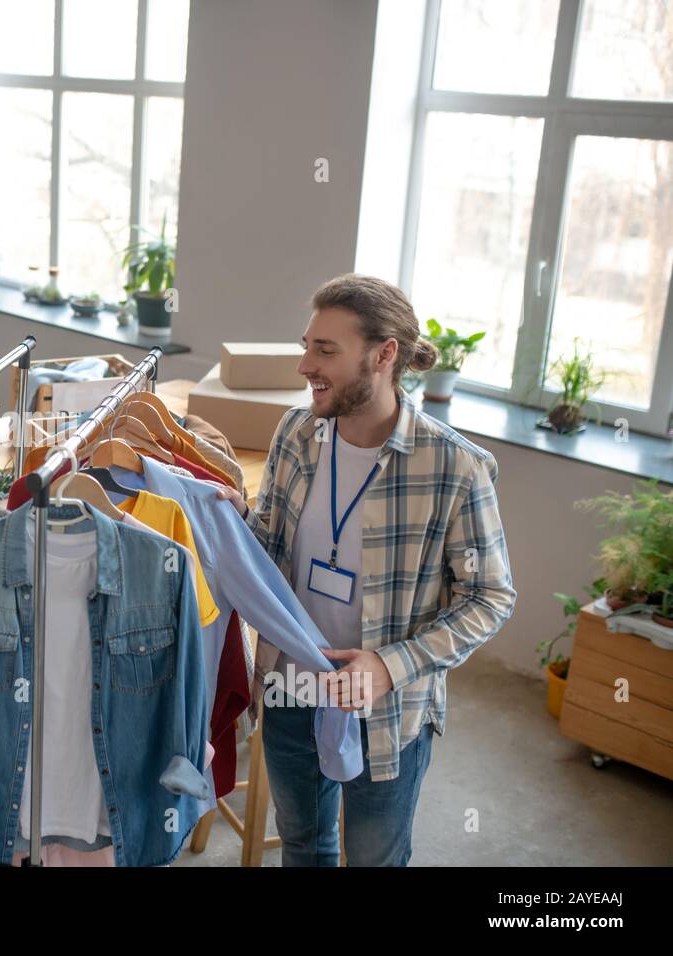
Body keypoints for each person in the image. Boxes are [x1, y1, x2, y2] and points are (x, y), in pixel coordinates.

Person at [215, 274, 516, 866]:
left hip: (388, 702)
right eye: (307, 346)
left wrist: (389, 664)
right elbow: (270, 548)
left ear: (385, 355)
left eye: (325, 350)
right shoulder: (296, 434)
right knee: (304, 844)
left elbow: (490, 597)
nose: (305, 365)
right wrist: (230, 521)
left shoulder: (455, 468)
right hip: (290, 685)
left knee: (374, 857)